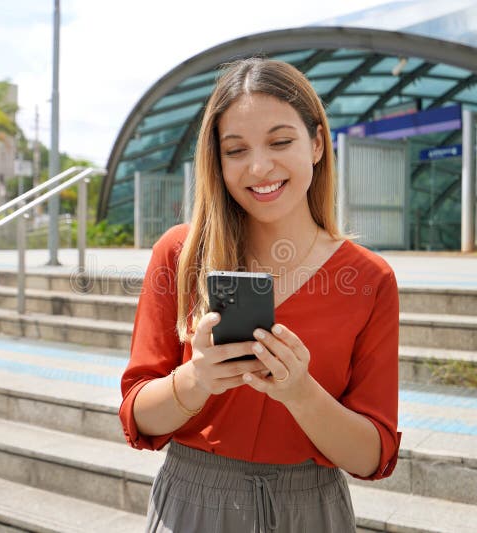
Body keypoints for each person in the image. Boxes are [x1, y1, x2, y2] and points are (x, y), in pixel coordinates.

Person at [120, 57, 400, 533]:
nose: (258, 167)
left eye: (280, 141)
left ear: (316, 143)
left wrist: (300, 393)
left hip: (312, 511)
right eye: (235, 150)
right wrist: (197, 379)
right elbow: (137, 417)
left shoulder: (369, 278)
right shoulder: (181, 253)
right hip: (193, 506)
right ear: (217, 161)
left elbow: (372, 454)